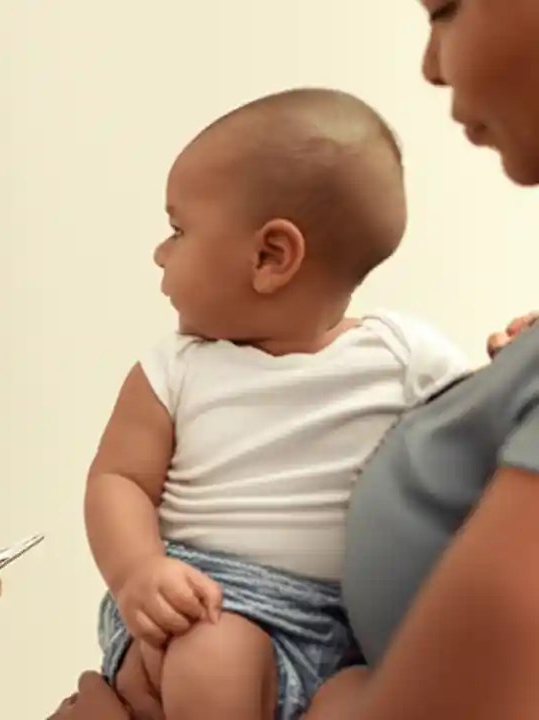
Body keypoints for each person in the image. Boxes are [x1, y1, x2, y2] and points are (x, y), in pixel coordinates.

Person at [53, 0, 539, 717]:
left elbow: (479, 427)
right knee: (214, 655)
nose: (160, 251)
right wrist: (139, 573)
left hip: (337, 634)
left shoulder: (401, 353)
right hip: (209, 596)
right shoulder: (176, 369)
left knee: (352, 695)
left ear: (271, 256)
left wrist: (504, 374)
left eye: (177, 229)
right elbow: (118, 478)